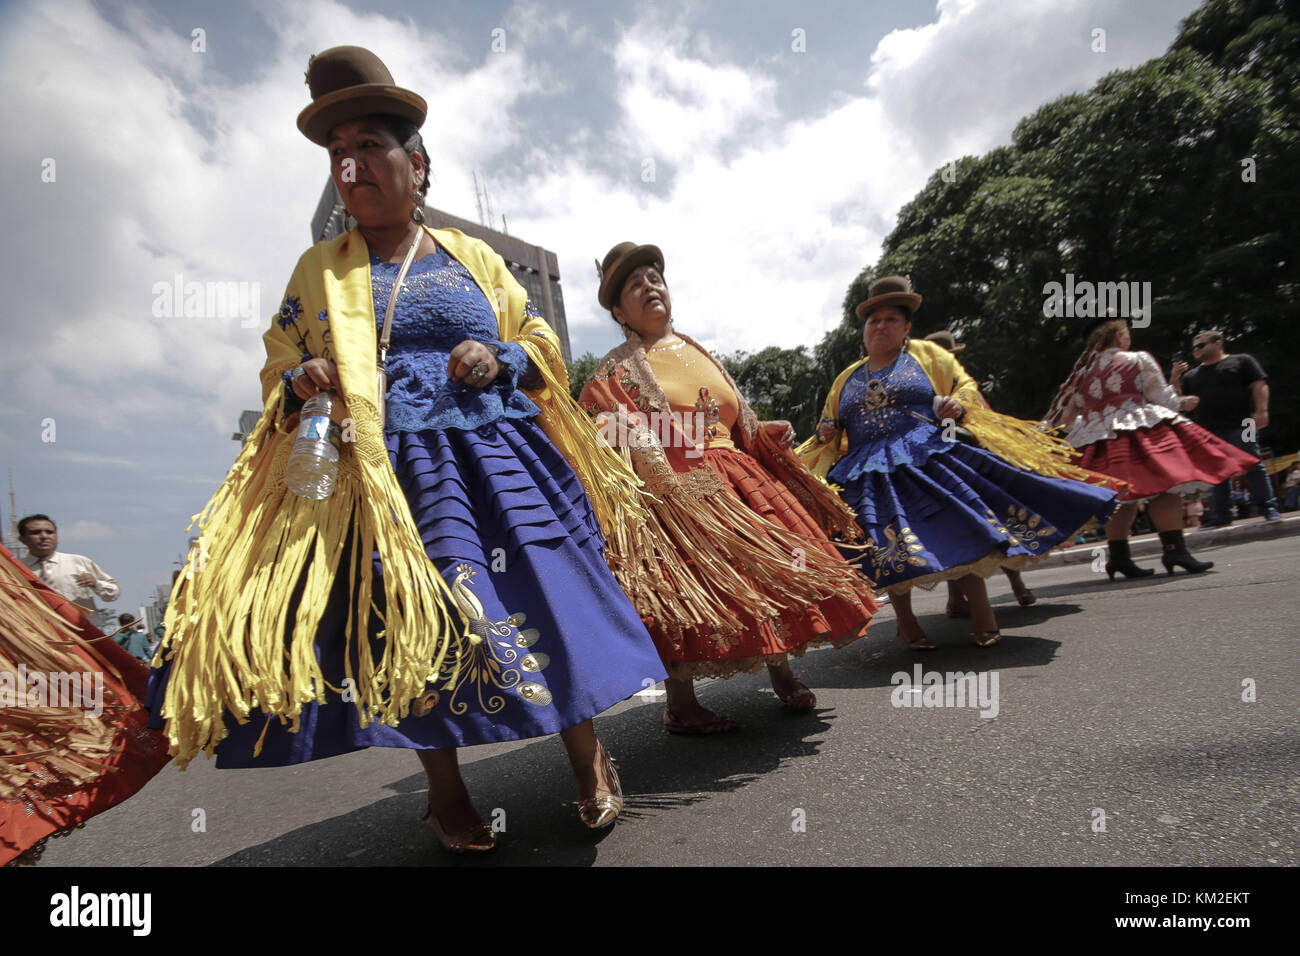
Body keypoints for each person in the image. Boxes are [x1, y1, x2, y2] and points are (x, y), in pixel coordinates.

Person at [148, 47, 666, 853]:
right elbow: (277, 361)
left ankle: (589, 756)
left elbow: (535, 338)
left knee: (547, 593)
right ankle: (446, 792)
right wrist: (302, 374)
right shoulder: (319, 269)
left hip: (494, 454)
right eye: (337, 154)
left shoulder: (476, 259)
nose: (351, 166)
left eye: (368, 147)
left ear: (416, 166)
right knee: (411, 620)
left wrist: (500, 357)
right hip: (388, 471)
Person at [579, 242, 877, 733]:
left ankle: (782, 671)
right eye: (635, 285)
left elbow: (735, 419)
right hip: (675, 490)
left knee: (773, 573)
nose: (650, 287)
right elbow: (604, 433)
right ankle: (682, 704)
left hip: (739, 476)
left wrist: (767, 435)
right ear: (617, 311)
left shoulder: (698, 350)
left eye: (655, 278)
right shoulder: (612, 373)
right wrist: (657, 461)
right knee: (694, 589)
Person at [798, 276, 1117, 649]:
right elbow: (830, 424)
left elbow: (966, 388)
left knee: (962, 527)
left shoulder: (929, 357)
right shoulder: (846, 378)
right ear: (864, 330)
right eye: (874, 321)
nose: (880, 326)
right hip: (866, 471)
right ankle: (907, 624)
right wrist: (825, 432)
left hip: (928, 456)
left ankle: (983, 614)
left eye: (890, 320)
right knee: (882, 545)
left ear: (906, 329)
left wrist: (958, 404)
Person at [1045, 317, 1257, 577]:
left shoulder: (1079, 375)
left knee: (1118, 498)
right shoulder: (1137, 359)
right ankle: (1174, 550)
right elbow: (1161, 398)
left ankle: (1119, 558)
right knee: (1165, 486)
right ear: (1119, 337)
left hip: (1096, 440)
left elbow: (1063, 420)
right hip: (1140, 431)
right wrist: (1184, 401)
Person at [1, 544, 169, 865]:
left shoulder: (69, 564)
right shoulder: (18, 569)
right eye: (35, 533)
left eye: (48, 532)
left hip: (62, 650)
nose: (43, 538)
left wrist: (95, 586)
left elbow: (107, 591)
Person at [923, 329, 1038, 613]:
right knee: (972, 526)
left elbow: (984, 424)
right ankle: (997, 590)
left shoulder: (961, 386)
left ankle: (1007, 586)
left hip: (966, 460)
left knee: (982, 525)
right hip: (959, 463)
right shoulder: (931, 386)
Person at [1172, 330, 1280, 523]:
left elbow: (1259, 384)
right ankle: (1223, 514)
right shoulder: (1191, 375)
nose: (1196, 350)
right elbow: (1178, 402)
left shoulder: (1241, 361)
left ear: (1218, 343)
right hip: (1208, 430)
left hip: (1244, 422)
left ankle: (1269, 508)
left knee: (1253, 463)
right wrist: (1175, 377)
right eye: (1194, 347)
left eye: (1201, 345)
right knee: (1216, 471)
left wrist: (1262, 411)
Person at [17, 514, 119, 611]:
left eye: (49, 532)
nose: (44, 536)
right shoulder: (16, 568)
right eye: (35, 532)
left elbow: (113, 593)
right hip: (37, 627)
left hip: (80, 627)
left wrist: (96, 584)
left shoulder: (79, 562)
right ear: (22, 539)